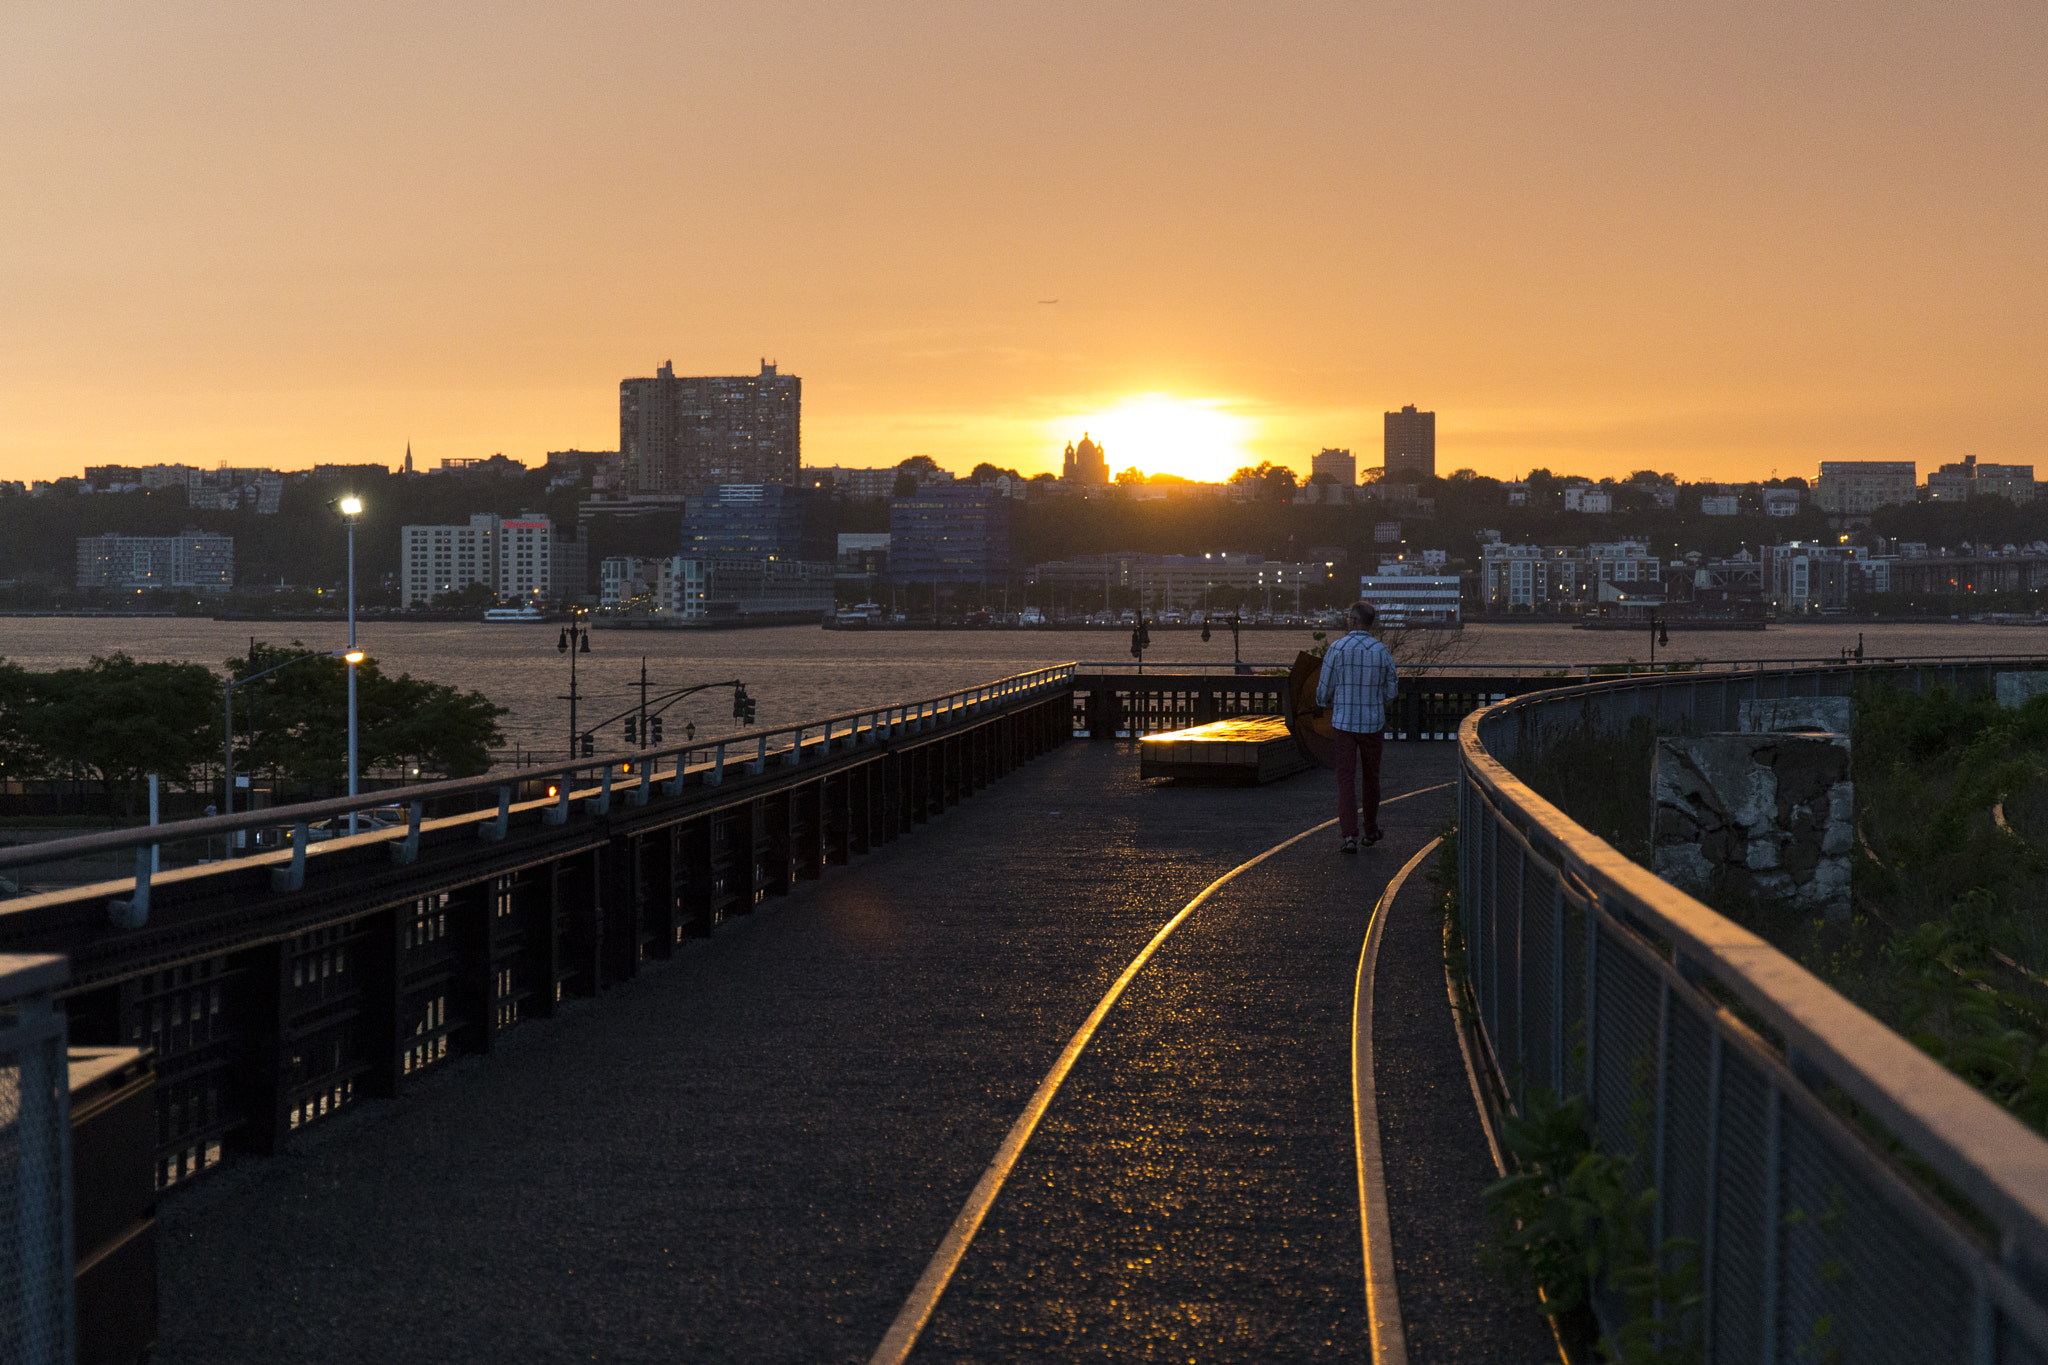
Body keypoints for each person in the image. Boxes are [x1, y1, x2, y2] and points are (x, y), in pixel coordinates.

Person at [1315, 601, 1399, 853]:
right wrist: (1375, 699)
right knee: (1371, 778)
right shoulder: (1381, 651)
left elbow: (1323, 691)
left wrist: (1325, 701)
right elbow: (1392, 690)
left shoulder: (1337, 649)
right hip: (1372, 723)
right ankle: (1370, 829)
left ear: (1352, 620)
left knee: (1346, 779)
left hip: (1344, 723)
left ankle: (1349, 835)